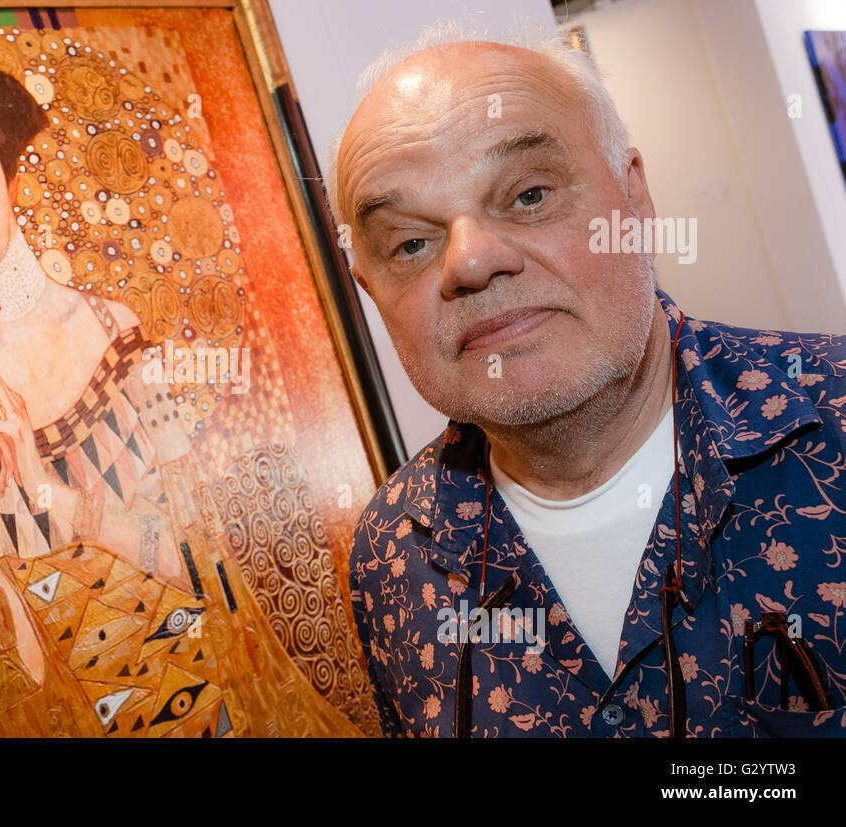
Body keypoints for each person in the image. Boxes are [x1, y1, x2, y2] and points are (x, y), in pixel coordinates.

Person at [0, 10, 361, 737]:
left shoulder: (112, 329)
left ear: (6, 160)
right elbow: (14, 662)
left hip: (216, 702)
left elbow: (203, 569)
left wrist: (54, 495)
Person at [332, 22, 846, 737]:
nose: (471, 261)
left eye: (530, 196)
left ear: (635, 198)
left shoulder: (832, 419)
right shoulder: (394, 554)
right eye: (412, 242)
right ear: (370, 289)